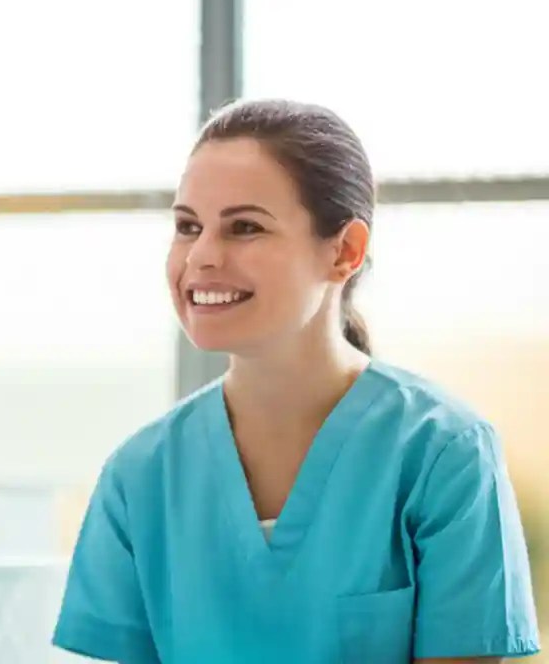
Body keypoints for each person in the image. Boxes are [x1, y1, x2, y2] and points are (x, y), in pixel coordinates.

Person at [52, 98, 541, 664]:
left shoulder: (444, 454)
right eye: (188, 226)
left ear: (345, 252)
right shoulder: (140, 476)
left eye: (246, 227)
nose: (202, 256)